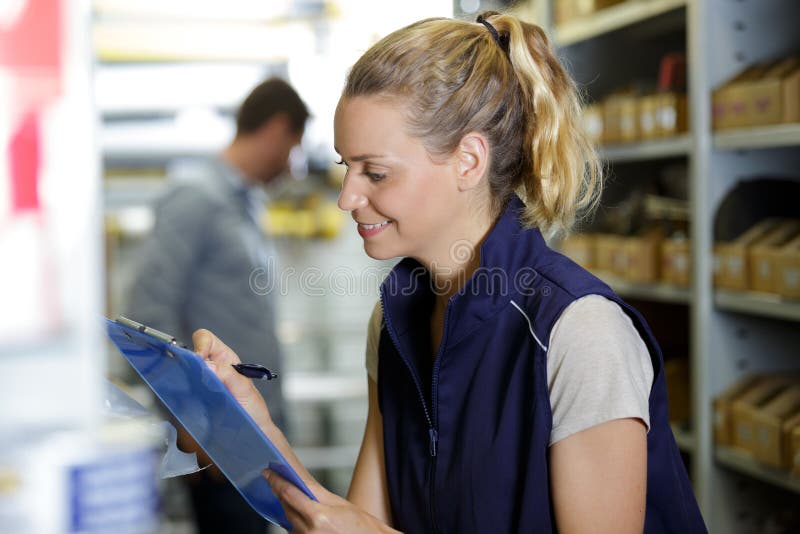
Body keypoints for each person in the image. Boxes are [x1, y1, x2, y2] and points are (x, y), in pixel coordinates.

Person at [192, 12, 707, 533]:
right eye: (348, 167)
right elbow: (356, 525)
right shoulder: (395, 322)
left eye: (376, 172)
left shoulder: (581, 334)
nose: (349, 198)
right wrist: (253, 430)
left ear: (468, 161)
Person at [126, 77, 309, 534]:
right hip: (216, 439)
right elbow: (147, 312)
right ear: (277, 129)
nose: (292, 165)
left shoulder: (242, 204)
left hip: (247, 438)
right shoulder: (196, 196)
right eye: (293, 147)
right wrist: (191, 422)